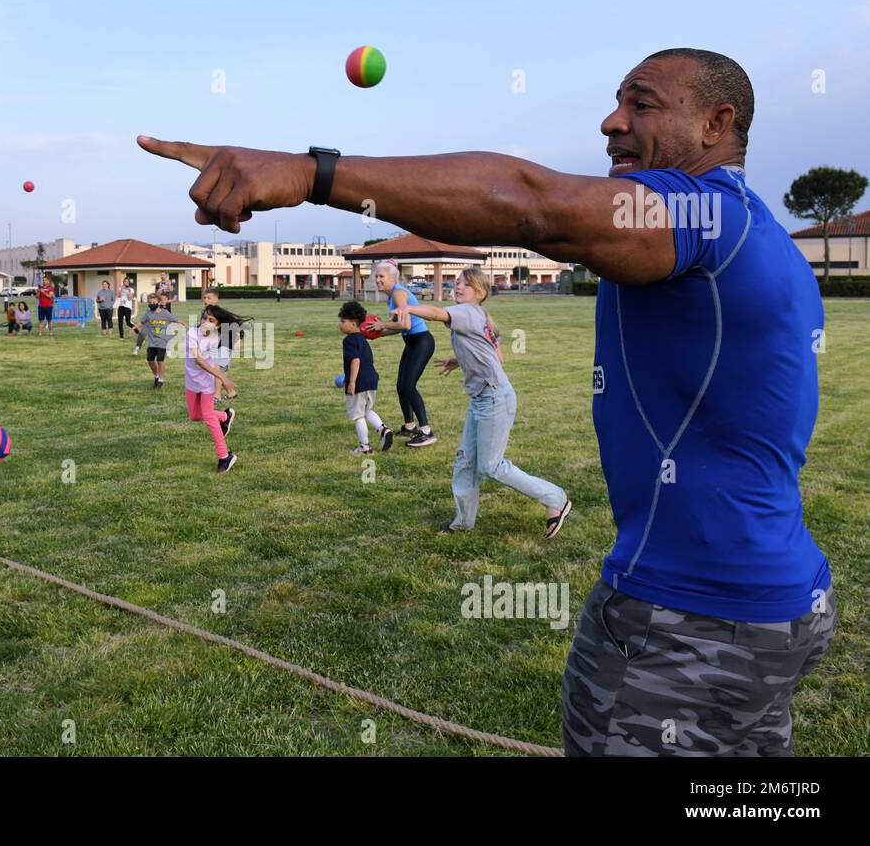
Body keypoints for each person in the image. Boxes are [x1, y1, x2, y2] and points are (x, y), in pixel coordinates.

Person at [138, 47, 835, 757]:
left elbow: (534, 207)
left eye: (642, 104)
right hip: (775, 599)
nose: (611, 121)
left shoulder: (708, 216)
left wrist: (309, 173)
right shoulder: (762, 237)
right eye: (616, 101)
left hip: (693, 615)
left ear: (719, 123)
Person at [392, 267, 570, 535]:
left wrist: (409, 309)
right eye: (457, 283)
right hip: (482, 398)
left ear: (480, 292)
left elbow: (438, 313)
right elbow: (498, 355)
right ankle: (462, 523)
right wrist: (460, 359)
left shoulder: (467, 311)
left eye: (466, 284)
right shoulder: (482, 316)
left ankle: (556, 498)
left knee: (491, 466)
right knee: (465, 461)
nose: (458, 287)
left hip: (494, 397)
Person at [372, 260, 437, 447]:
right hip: (412, 342)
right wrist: (379, 333)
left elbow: (405, 324)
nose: (378, 280)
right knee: (401, 386)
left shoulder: (399, 293)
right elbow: (401, 327)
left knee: (409, 386)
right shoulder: (393, 295)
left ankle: (427, 432)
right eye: (376, 276)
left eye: (381, 276)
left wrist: (383, 324)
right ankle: (410, 427)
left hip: (421, 342)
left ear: (392, 278)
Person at [186, 305, 237, 472]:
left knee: (208, 417)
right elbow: (199, 360)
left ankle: (224, 456)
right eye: (204, 318)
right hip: (192, 380)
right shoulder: (192, 333)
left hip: (206, 380)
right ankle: (225, 415)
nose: (206, 322)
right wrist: (223, 378)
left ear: (218, 325)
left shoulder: (217, 336)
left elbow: (212, 361)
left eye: (211, 320)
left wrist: (218, 379)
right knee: (194, 416)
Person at [338, 301, 393, 454]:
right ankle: (383, 429)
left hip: (359, 381)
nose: (340, 324)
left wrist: (352, 382)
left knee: (358, 415)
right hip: (371, 379)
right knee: (367, 409)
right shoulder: (363, 339)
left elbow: (355, 361)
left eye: (343, 321)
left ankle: (364, 447)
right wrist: (346, 379)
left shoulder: (348, 340)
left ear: (354, 323)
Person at [131, 293, 181, 388]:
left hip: (162, 341)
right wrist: (134, 328)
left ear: (159, 302)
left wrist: (185, 325)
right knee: (150, 360)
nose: (151, 304)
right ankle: (156, 376)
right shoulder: (148, 314)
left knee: (160, 360)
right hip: (152, 342)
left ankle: (161, 379)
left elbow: (175, 320)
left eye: (154, 302)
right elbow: (141, 322)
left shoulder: (165, 313)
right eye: (150, 302)